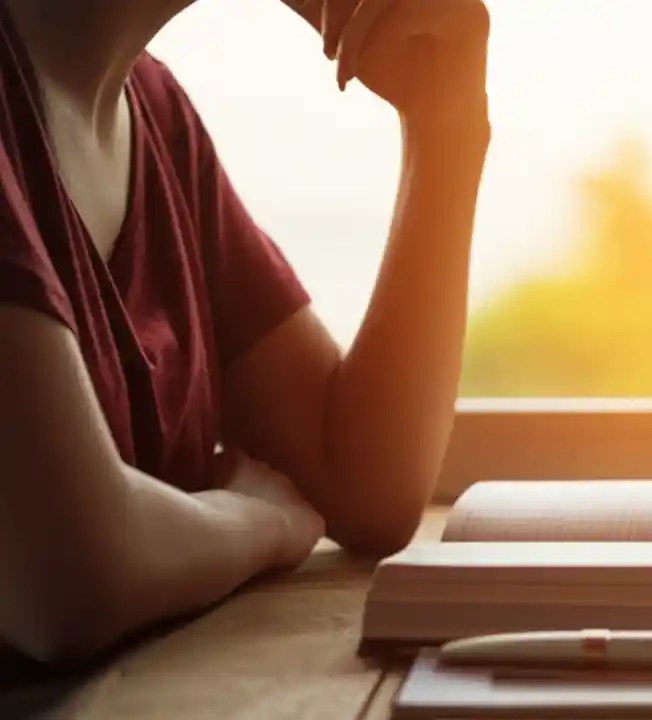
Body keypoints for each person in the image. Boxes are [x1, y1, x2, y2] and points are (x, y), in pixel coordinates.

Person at [0, 0, 490, 664]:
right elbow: (66, 576)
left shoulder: (156, 115)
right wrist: (259, 522)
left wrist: (447, 128)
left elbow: (365, 479)